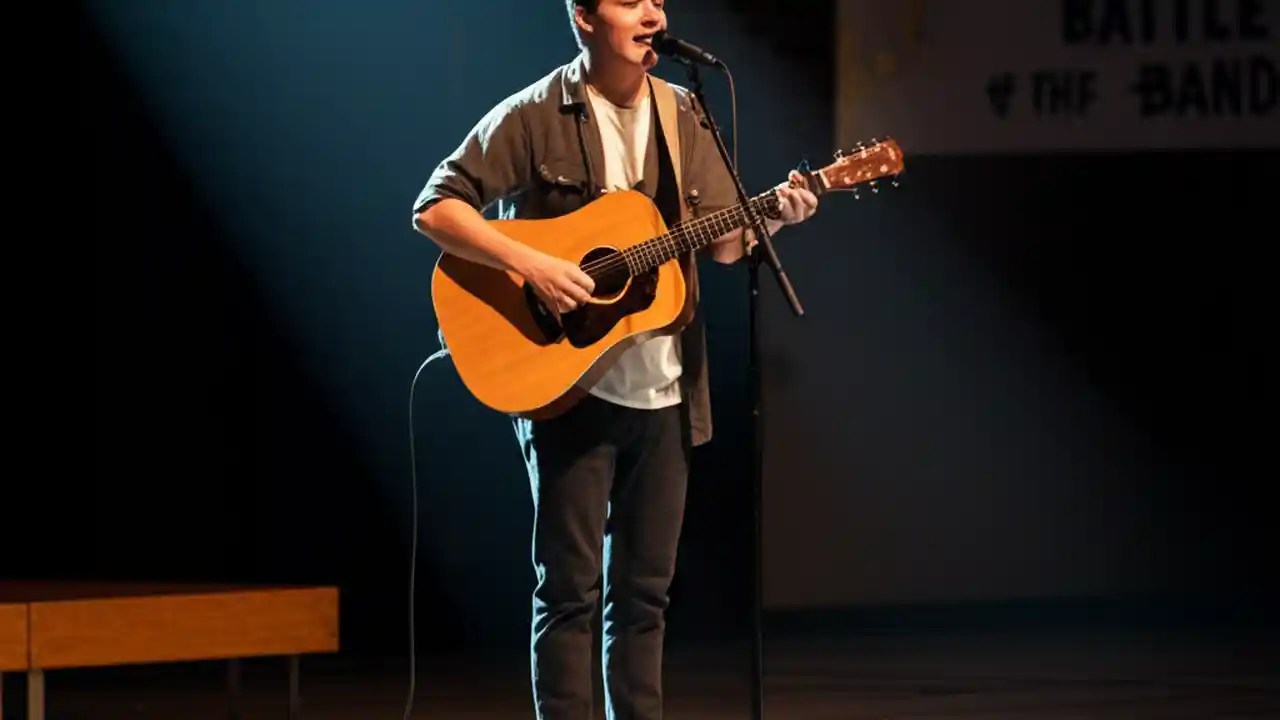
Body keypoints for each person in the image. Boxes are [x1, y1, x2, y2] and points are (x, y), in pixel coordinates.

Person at [411, 2, 818, 718]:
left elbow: (723, 243)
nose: (653, 12)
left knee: (644, 599)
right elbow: (436, 208)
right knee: (568, 593)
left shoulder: (686, 111)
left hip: (665, 392)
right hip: (568, 385)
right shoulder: (537, 112)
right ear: (583, 16)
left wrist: (776, 213)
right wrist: (531, 264)